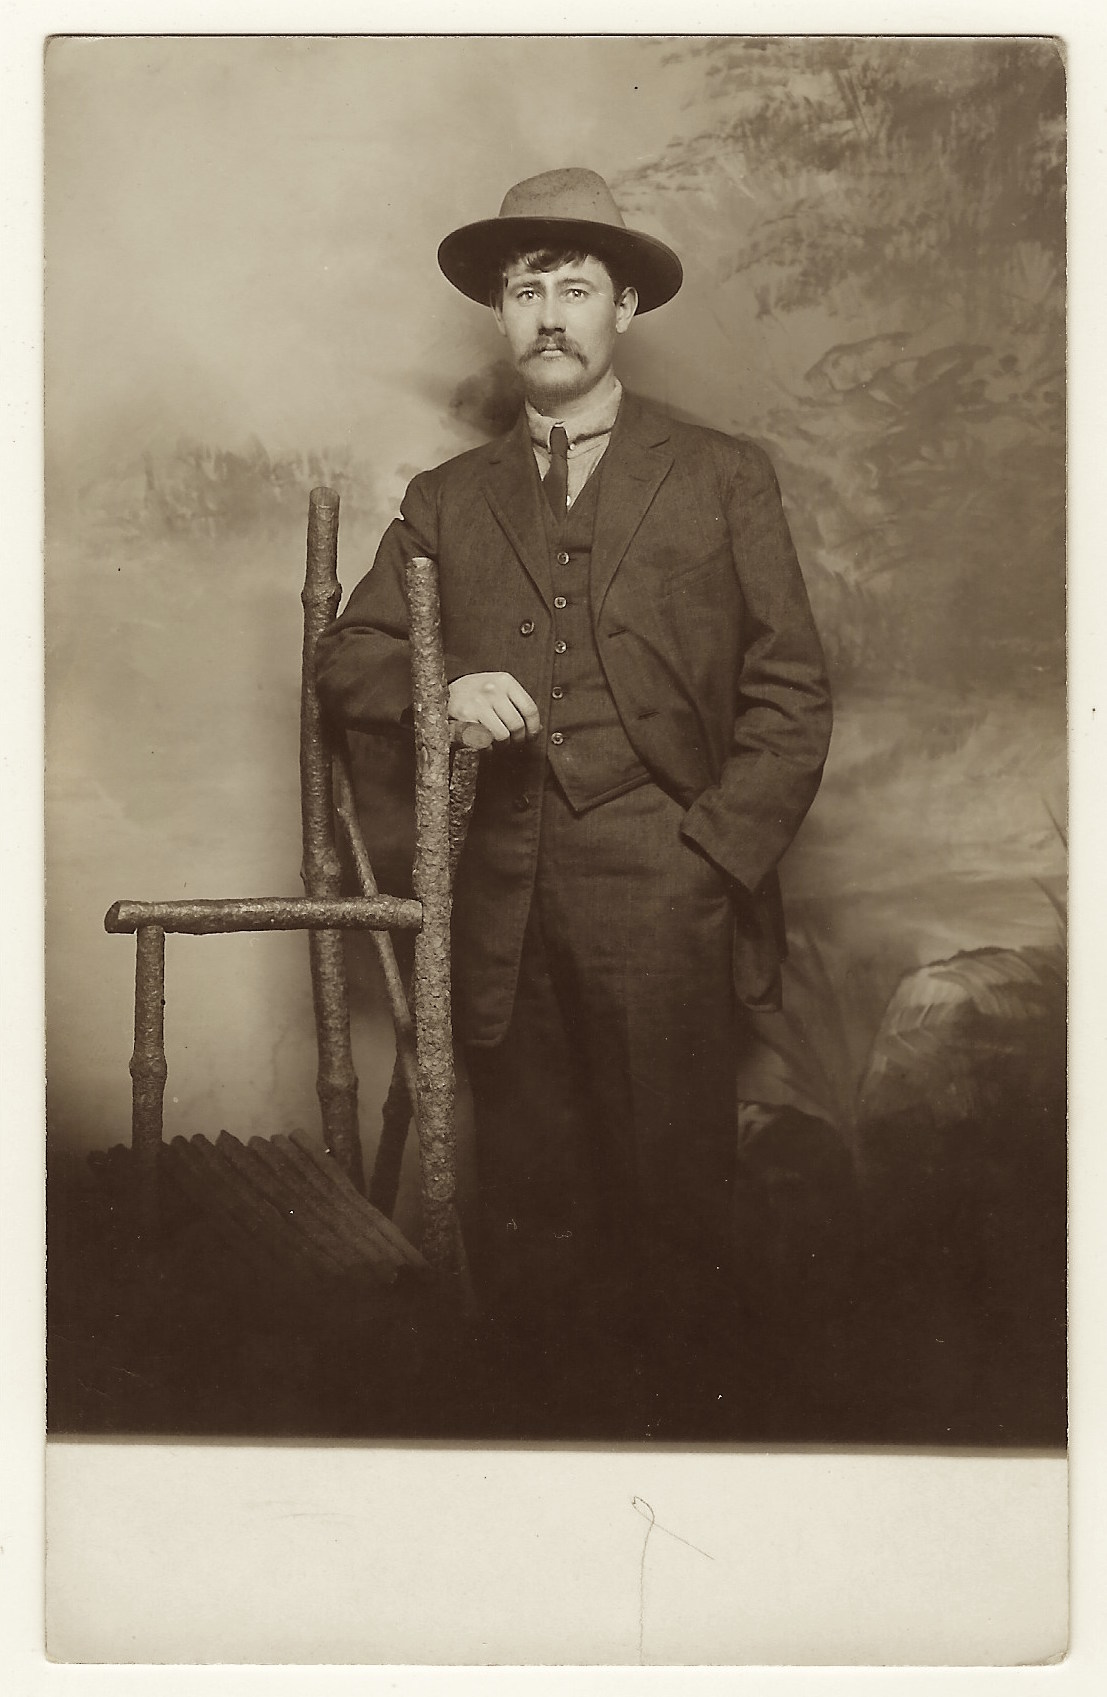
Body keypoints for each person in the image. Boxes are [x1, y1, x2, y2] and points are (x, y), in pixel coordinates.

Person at [315, 168, 832, 1429]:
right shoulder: (445, 499)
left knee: (670, 1198)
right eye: (526, 289)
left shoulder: (721, 475)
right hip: (501, 889)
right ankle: (546, 1476)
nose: (550, 313)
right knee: (535, 1203)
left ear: (627, 310)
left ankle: (688, 1478)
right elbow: (352, 655)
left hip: (671, 876)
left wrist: (713, 857)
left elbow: (792, 688)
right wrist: (440, 693)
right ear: (501, 316)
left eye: (578, 288)